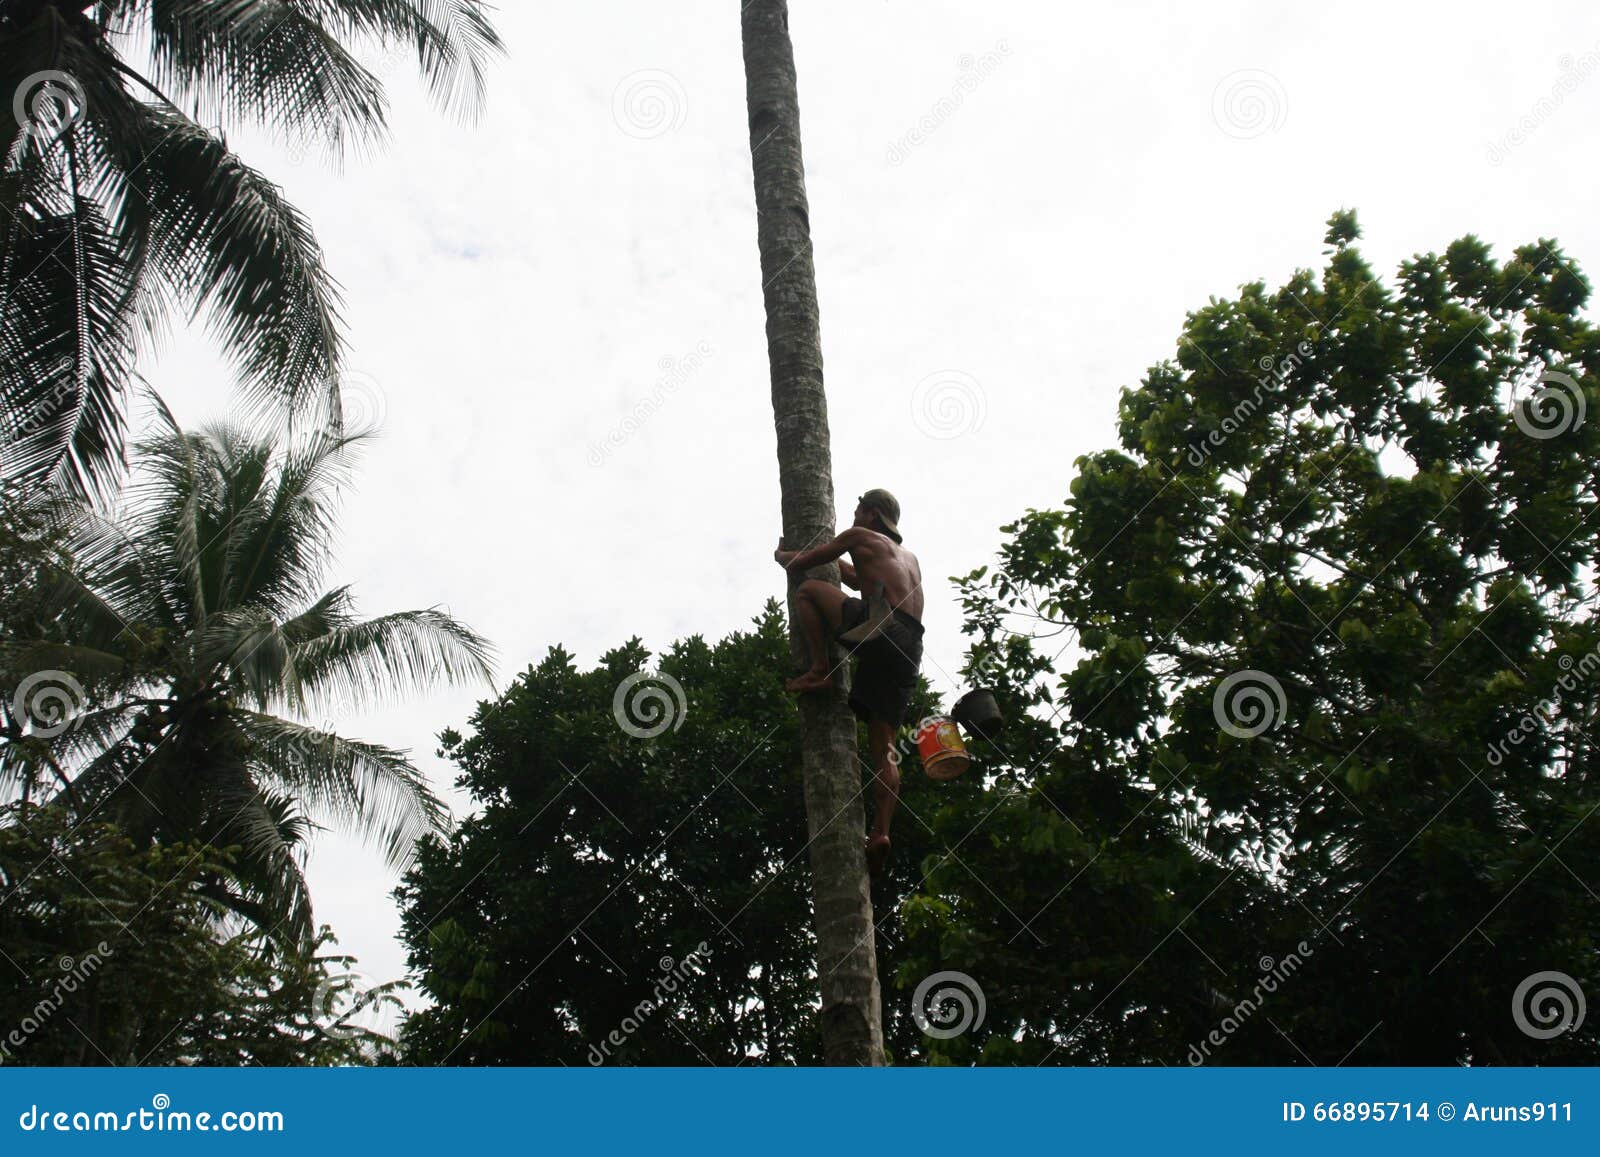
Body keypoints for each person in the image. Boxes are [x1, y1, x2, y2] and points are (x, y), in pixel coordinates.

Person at [773, 489, 923, 875]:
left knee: (807, 590)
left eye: (858, 510)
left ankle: (820, 669)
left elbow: (805, 563)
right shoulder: (909, 560)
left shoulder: (858, 537)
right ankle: (881, 832)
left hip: (881, 627)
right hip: (909, 646)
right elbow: (857, 579)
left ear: (871, 514)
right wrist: (837, 565)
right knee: (885, 749)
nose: (854, 516)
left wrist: (784, 557)